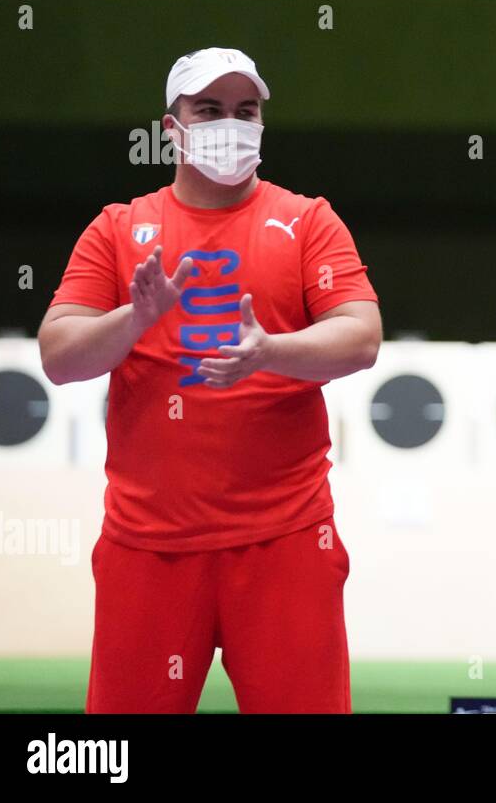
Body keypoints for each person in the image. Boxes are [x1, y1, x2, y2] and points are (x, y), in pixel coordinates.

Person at [39, 47, 383, 712]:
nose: (231, 123)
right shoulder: (117, 229)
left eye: (244, 110)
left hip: (287, 541)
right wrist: (135, 318)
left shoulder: (310, 220)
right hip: (147, 546)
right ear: (172, 129)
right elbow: (60, 357)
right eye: (209, 110)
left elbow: (362, 337)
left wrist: (269, 352)